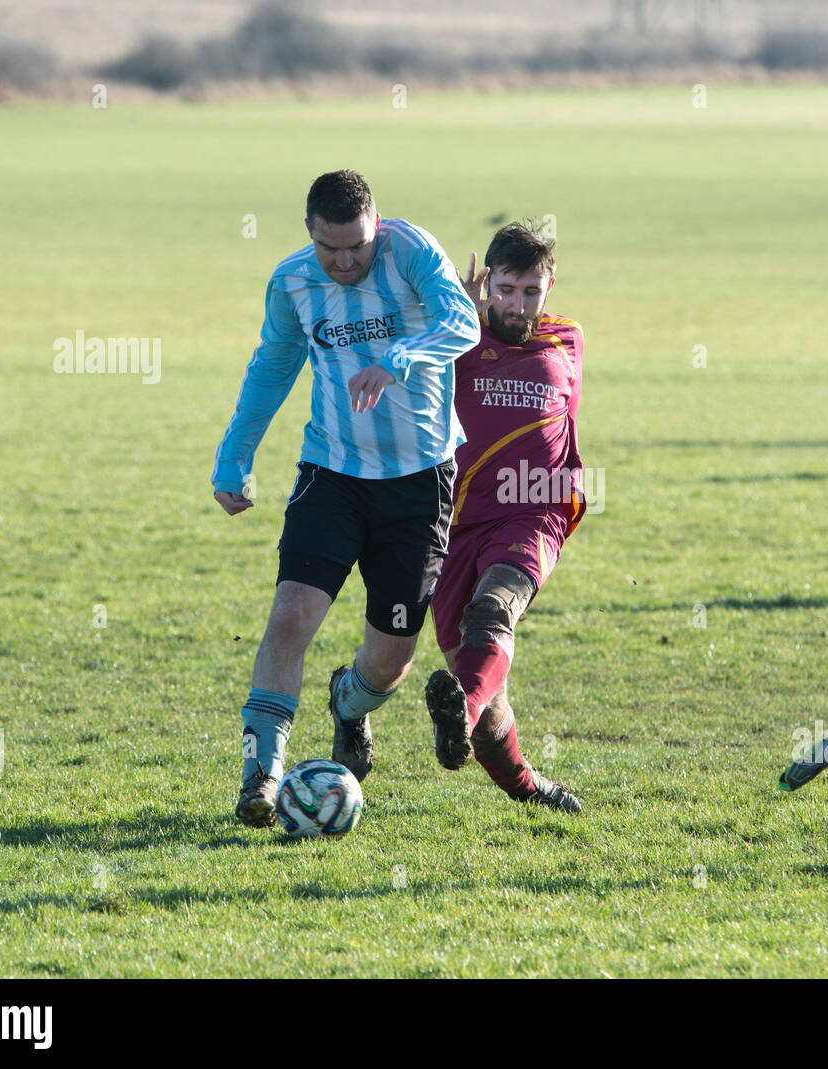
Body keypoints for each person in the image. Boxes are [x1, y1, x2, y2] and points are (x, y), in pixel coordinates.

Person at [213, 170, 480, 827]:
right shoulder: (294, 282)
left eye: (357, 246)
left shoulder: (410, 250)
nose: (346, 261)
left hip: (419, 481)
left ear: (376, 225)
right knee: (292, 612)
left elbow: (462, 320)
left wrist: (399, 357)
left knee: (390, 656)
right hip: (331, 473)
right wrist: (234, 457)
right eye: (332, 249)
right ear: (310, 233)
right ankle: (262, 776)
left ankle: (349, 703)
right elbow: (273, 365)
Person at [420, 223, 586, 812]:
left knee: (494, 610)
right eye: (508, 290)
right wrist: (453, 325)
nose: (519, 306)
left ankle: (457, 711)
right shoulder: (453, 333)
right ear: (487, 283)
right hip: (451, 525)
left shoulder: (568, 338)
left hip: (533, 513)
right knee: (491, 716)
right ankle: (529, 785)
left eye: (532, 292)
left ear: (550, 286)